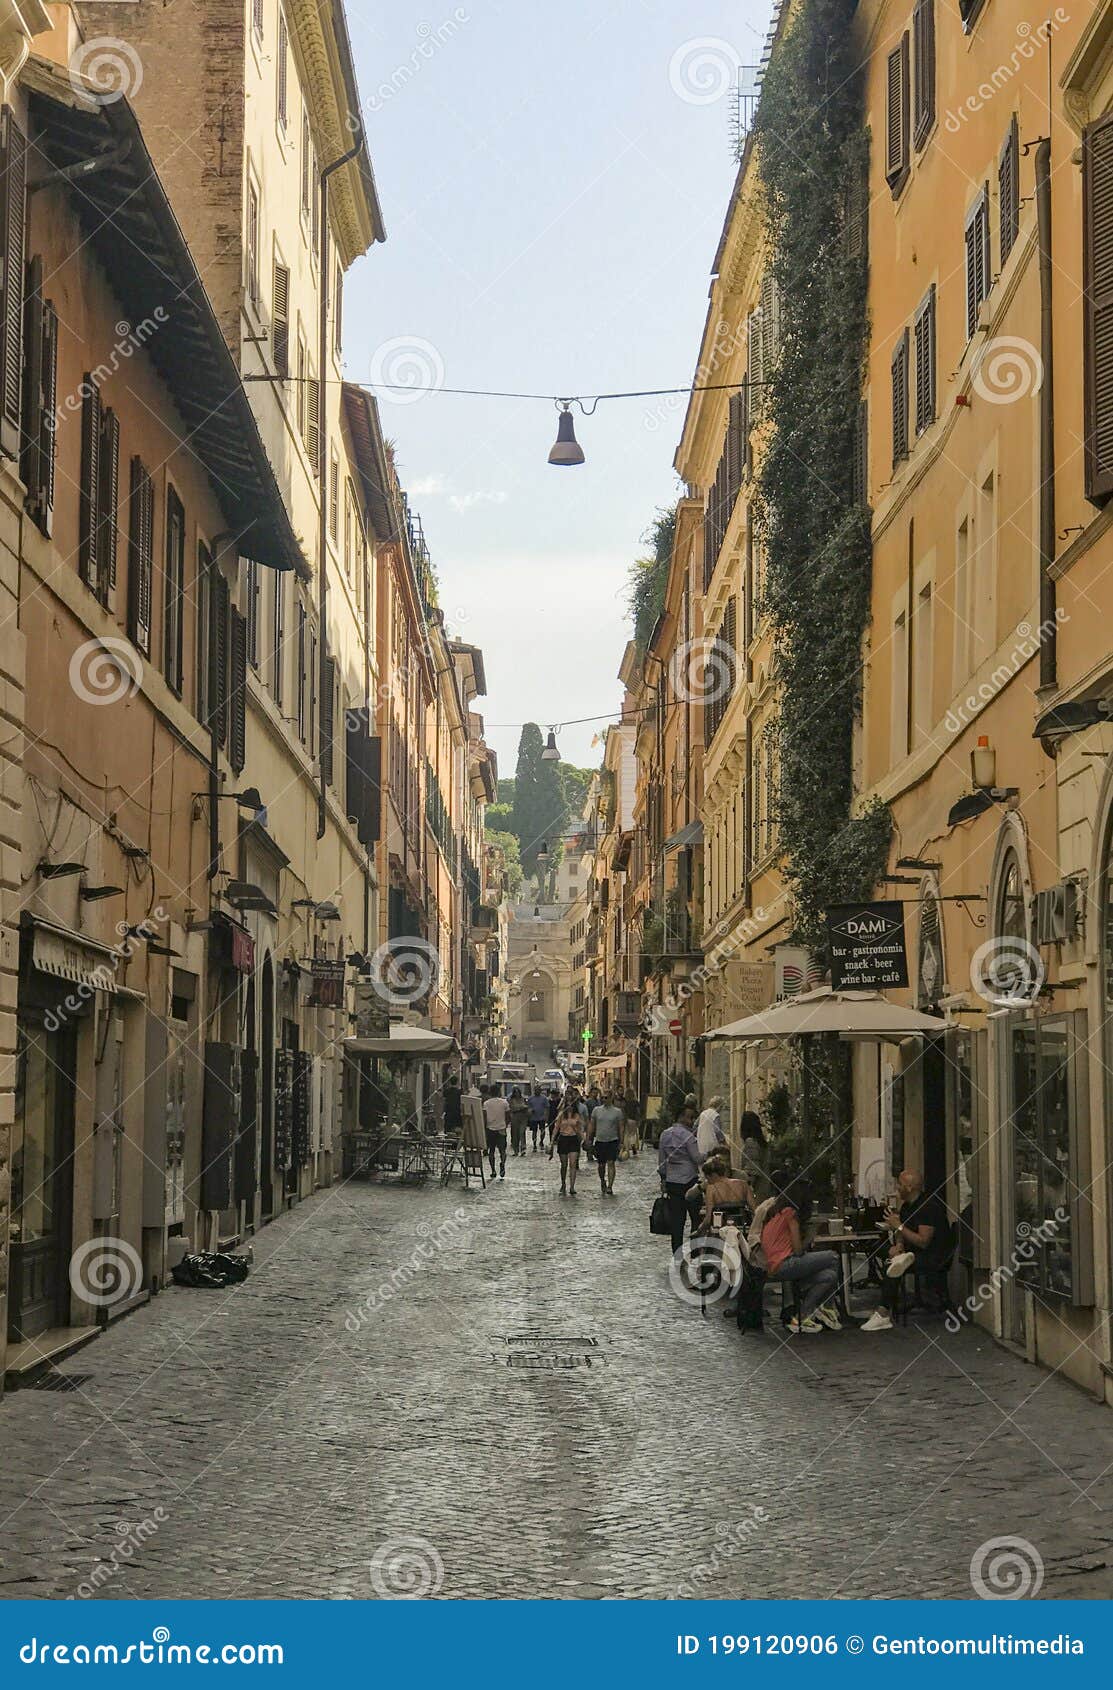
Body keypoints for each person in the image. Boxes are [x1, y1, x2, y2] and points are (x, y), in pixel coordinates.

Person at [862, 1170, 954, 1333]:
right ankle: (884, 1309)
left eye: (900, 1184)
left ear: (910, 1187)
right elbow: (901, 1232)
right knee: (878, 1246)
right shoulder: (906, 1206)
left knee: (893, 1267)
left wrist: (897, 1225)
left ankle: (883, 1313)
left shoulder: (928, 1207)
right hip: (912, 1252)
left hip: (932, 1256)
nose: (897, 1187)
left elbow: (923, 1241)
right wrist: (898, 1245)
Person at [761, 1183, 842, 1334]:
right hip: (786, 1263)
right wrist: (810, 1236)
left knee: (829, 1276)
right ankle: (828, 1306)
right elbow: (798, 1251)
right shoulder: (790, 1213)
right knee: (833, 1257)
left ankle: (803, 1317)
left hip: (774, 1266)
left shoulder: (775, 1213)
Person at [656, 1103, 702, 1255]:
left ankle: (677, 1253)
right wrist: (710, 1155)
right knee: (695, 1218)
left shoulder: (665, 1135)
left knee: (677, 1221)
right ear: (681, 1117)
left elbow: (662, 1163)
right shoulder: (688, 1136)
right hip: (690, 1181)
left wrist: (664, 1179)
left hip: (673, 1182)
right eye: (689, 1118)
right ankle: (695, 1251)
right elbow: (697, 1158)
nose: (691, 1121)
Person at [587, 1090, 624, 1195]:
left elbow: (621, 1127)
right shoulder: (596, 1110)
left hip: (612, 1140)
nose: (604, 1099)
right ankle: (603, 1180)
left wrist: (621, 1141)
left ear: (611, 1098)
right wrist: (589, 1138)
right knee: (601, 1165)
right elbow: (592, 1125)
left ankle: (610, 1186)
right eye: (602, 1097)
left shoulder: (617, 1112)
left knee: (611, 1163)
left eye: (606, 1097)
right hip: (600, 1141)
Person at [549, 1096, 584, 1195]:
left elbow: (580, 1129)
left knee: (573, 1164)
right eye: (567, 1104)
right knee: (564, 1165)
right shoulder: (561, 1115)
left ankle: (572, 1186)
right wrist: (552, 1141)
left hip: (573, 1139)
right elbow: (556, 1128)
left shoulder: (577, 1116)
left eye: (571, 1105)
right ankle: (563, 1183)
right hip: (563, 1139)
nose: (569, 1106)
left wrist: (584, 1140)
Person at [482, 1086, 509, 1180]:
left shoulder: (486, 1103)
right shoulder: (504, 1102)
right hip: (501, 1128)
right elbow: (508, 1115)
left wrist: (484, 1128)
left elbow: (484, 1117)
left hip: (490, 1129)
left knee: (491, 1151)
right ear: (498, 1092)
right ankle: (502, 1163)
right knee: (502, 1150)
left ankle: (493, 1170)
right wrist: (505, 1124)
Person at [738, 1111, 768, 1194]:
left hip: (756, 1188)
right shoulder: (759, 1142)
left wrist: (748, 1189)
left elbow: (752, 1170)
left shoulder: (750, 1142)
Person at [696, 1095, 727, 1159]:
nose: (721, 1109)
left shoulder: (703, 1113)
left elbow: (695, 1126)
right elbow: (717, 1131)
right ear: (719, 1106)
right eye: (721, 1107)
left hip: (701, 1144)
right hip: (712, 1144)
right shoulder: (715, 1115)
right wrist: (724, 1142)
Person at [507, 1087, 529, 1158]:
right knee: (515, 1134)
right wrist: (519, 1108)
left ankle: (523, 1148)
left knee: (522, 1132)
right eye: (515, 1092)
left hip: (523, 1117)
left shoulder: (523, 1098)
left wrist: (525, 1108)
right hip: (515, 1117)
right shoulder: (510, 1099)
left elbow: (526, 1106)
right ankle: (516, 1150)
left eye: (518, 1092)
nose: (517, 1093)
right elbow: (511, 1108)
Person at [527, 1085, 550, 1151]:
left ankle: (541, 1142)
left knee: (542, 1131)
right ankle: (534, 1144)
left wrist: (546, 1117)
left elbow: (547, 1107)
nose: (537, 1091)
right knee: (534, 1131)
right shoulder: (530, 1098)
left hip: (542, 1117)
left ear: (540, 1091)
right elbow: (528, 1107)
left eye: (538, 1090)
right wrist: (530, 1111)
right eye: (536, 1090)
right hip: (533, 1118)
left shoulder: (544, 1098)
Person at [620, 1089, 641, 1159]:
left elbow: (623, 1111)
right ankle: (633, 1148)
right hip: (633, 1120)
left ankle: (626, 1151)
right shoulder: (636, 1102)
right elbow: (638, 1112)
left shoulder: (624, 1102)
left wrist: (624, 1119)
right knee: (632, 1135)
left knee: (626, 1135)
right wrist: (638, 1120)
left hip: (627, 1120)